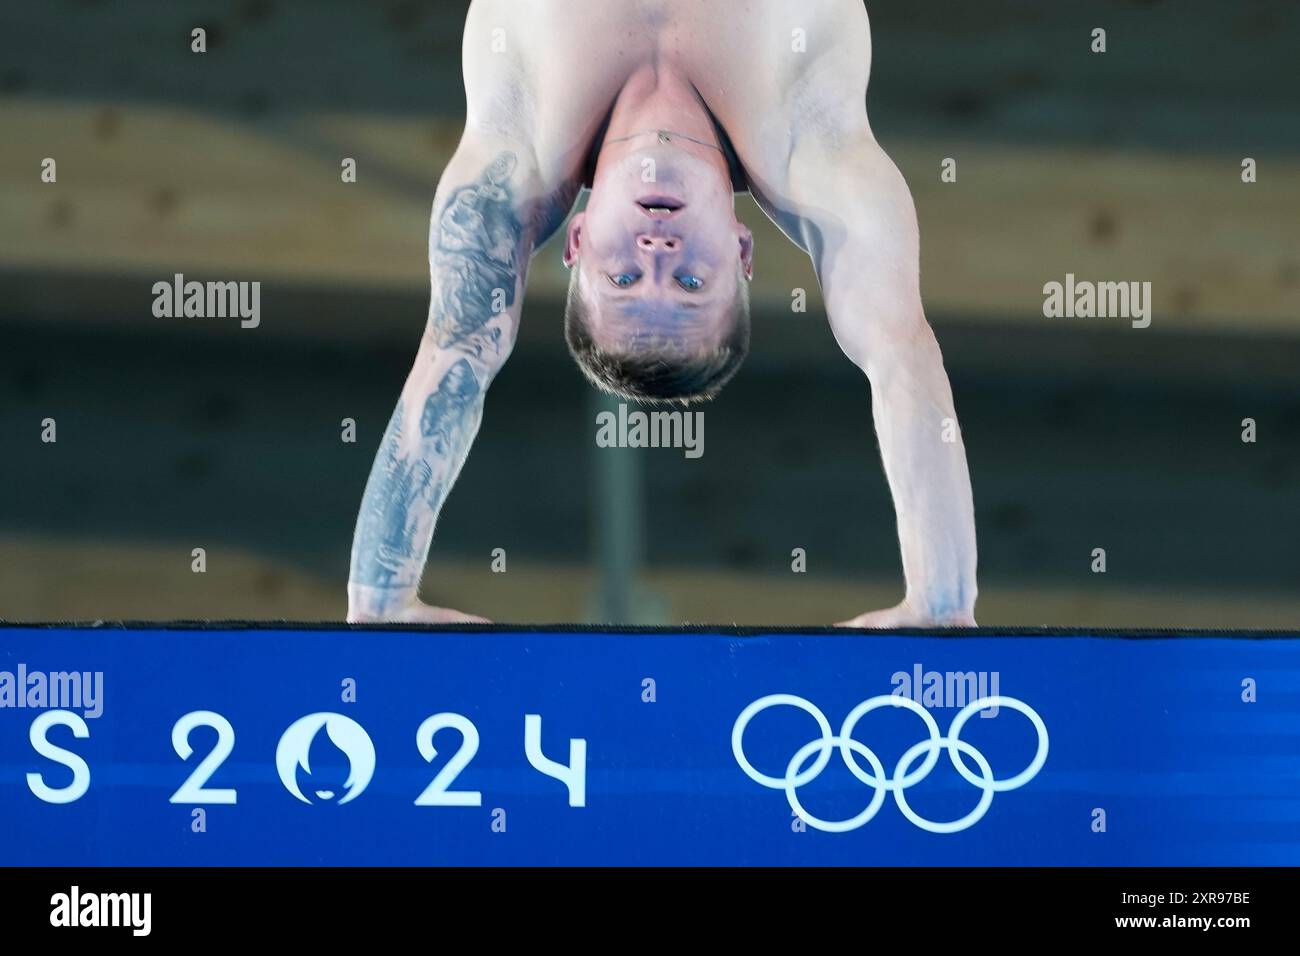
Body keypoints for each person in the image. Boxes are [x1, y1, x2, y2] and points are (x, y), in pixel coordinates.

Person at [348, 0, 978, 627]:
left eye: (622, 279)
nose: (657, 251)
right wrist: (941, 603)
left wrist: (380, 599)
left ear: (576, 240)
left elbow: (458, 347)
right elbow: (901, 351)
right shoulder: (809, 148)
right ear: (741, 250)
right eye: (691, 282)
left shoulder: (520, 153)